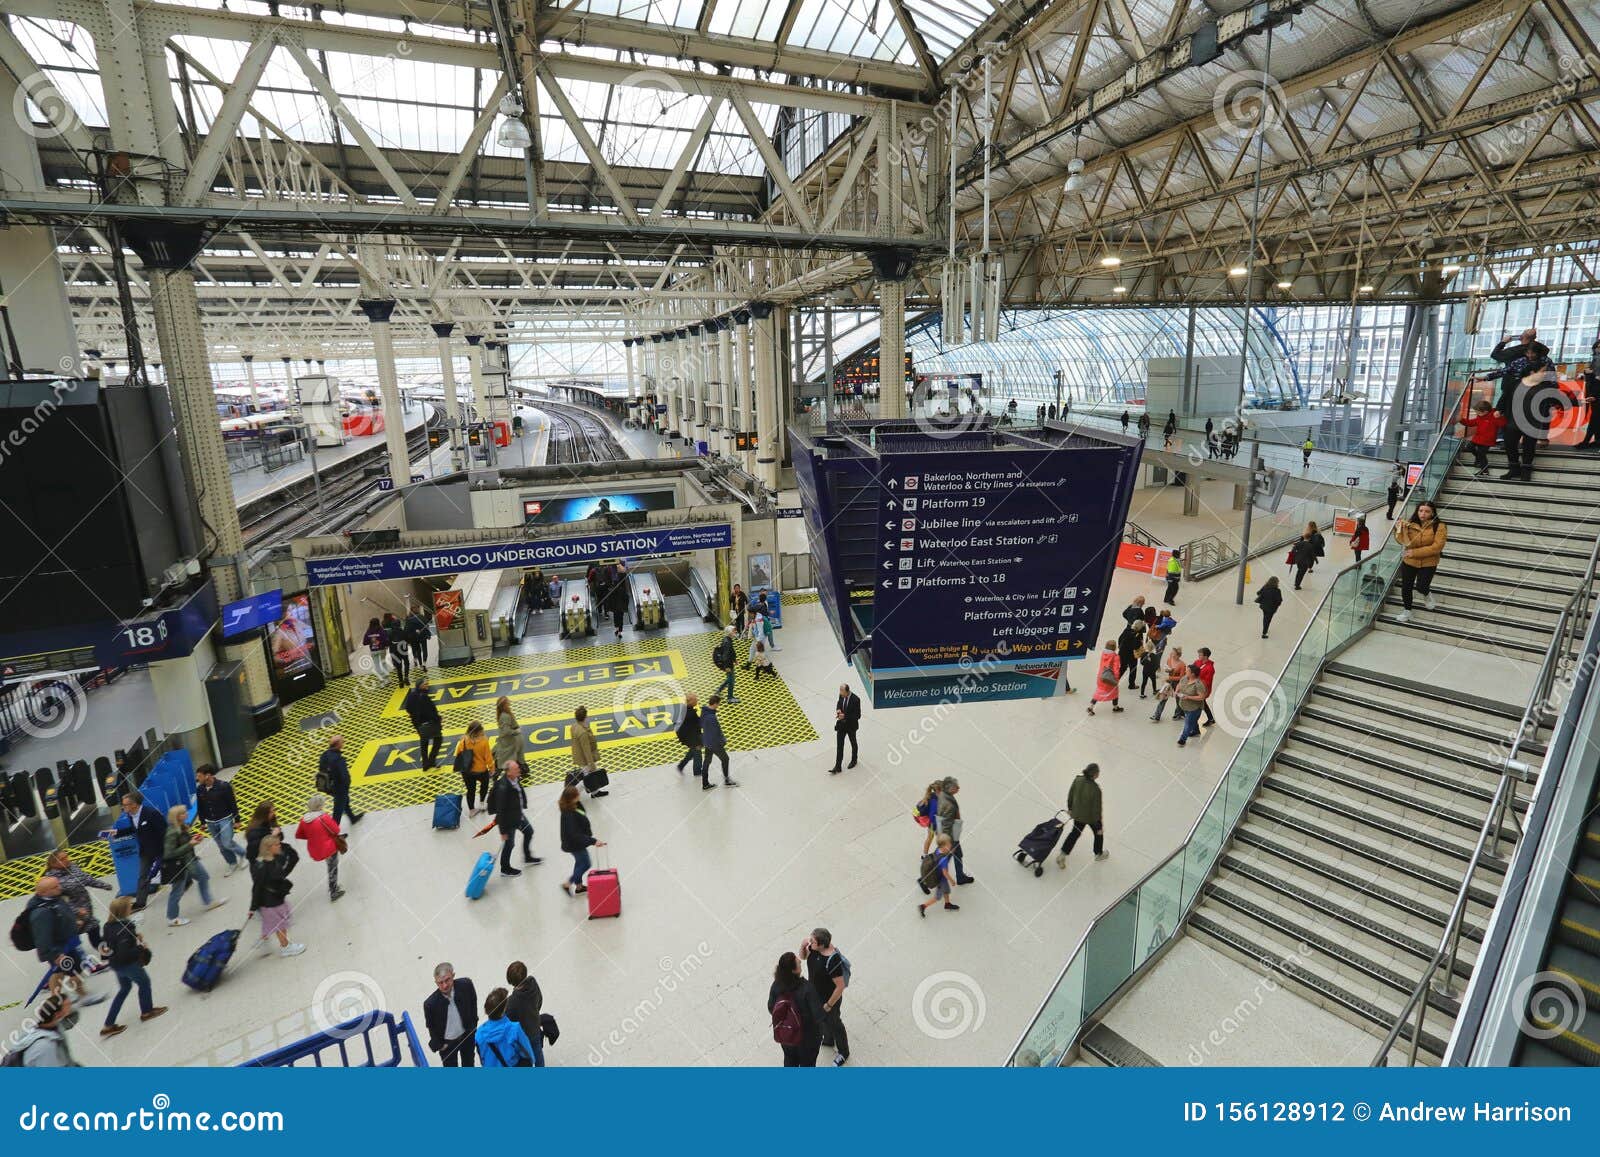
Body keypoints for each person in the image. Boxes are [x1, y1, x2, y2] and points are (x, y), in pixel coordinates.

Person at [26, 878, 103, 1007]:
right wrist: (55, 955)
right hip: (59, 950)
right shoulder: (40, 913)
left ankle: (55, 1000)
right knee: (75, 971)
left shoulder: (53, 898)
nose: (60, 888)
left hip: (66, 943)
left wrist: (75, 921)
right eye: (55, 887)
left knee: (58, 973)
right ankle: (83, 996)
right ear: (44, 892)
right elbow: (42, 938)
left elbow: (62, 913)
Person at [98, 895, 165, 1037]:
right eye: (129, 906)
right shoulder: (126, 926)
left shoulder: (108, 925)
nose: (131, 907)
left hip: (115, 964)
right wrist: (141, 948)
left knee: (124, 989)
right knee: (144, 983)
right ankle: (147, 1012)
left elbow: (107, 946)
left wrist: (134, 938)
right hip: (127, 965)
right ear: (124, 910)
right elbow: (124, 953)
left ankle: (108, 1025)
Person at [162, 804, 225, 927]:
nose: (186, 814)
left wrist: (193, 840)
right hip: (180, 866)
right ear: (177, 816)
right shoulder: (172, 832)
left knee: (203, 877)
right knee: (177, 891)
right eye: (183, 813)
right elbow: (168, 853)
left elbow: (184, 844)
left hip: (190, 861)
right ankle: (172, 918)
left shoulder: (181, 827)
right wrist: (190, 844)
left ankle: (208, 902)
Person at [43, 848, 110, 959]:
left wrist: (103, 885)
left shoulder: (72, 866)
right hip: (71, 915)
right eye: (62, 859)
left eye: (66, 856)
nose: (67, 859)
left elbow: (86, 878)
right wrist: (76, 911)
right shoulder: (52, 880)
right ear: (54, 863)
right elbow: (58, 902)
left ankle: (106, 955)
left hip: (85, 909)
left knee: (94, 929)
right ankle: (70, 962)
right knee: (72, 938)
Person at [799, 928, 850, 1067]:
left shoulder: (832, 960)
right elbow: (803, 957)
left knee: (835, 1024)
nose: (810, 942)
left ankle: (844, 1052)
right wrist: (803, 946)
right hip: (815, 996)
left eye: (813, 941)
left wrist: (828, 1005)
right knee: (821, 1021)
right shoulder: (813, 948)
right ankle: (828, 1039)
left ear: (822, 944)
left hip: (829, 1000)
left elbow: (840, 986)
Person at [248, 833, 304, 957]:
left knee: (270, 922)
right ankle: (286, 947)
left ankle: (263, 941)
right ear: (269, 848)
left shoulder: (273, 859)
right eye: (277, 844)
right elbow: (257, 887)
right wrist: (253, 907)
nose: (280, 846)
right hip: (271, 901)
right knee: (280, 924)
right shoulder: (262, 867)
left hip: (273, 899)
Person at [1394, 500, 1448, 622]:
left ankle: (1427, 594)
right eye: (1420, 510)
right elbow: (1403, 541)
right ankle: (1407, 611)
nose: (1423, 513)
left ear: (1433, 513)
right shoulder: (1410, 524)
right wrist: (1397, 529)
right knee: (1406, 587)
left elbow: (1437, 547)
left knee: (1421, 586)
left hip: (1429, 562)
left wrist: (1415, 552)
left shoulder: (1439, 526)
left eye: (1427, 511)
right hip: (1409, 561)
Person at [768, 951, 825, 1067]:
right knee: (807, 1064)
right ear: (794, 971)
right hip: (807, 1039)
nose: (799, 960)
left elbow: (771, 1008)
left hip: (787, 1036)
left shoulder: (776, 985)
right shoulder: (807, 989)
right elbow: (819, 1016)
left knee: (789, 1060)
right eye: (797, 961)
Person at [117, 789, 166, 912]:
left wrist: (165, 850)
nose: (123, 807)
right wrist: (117, 833)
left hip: (159, 849)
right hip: (145, 851)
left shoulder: (151, 813)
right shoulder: (130, 815)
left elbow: (164, 832)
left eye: (125, 805)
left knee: (170, 868)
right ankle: (140, 902)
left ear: (134, 804)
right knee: (143, 875)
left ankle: (186, 879)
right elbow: (136, 829)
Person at [194, 764, 246, 877]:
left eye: (199, 776)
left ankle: (244, 854)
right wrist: (202, 822)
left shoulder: (224, 786)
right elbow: (200, 806)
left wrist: (237, 820)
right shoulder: (200, 789)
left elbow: (233, 804)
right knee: (221, 846)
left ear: (208, 775)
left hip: (225, 819)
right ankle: (232, 863)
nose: (197, 778)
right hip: (210, 822)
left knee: (227, 842)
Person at [489, 761, 539, 876]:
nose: (519, 770)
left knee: (529, 832)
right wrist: (503, 831)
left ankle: (527, 857)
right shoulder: (503, 787)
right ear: (508, 772)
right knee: (509, 844)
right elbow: (500, 811)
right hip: (508, 820)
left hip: (518, 814)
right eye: (516, 769)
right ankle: (505, 869)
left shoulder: (514, 779)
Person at [423, 963, 478, 1067]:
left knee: (469, 1064)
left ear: (453, 976)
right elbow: (431, 1026)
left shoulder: (466, 985)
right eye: (440, 982)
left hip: (467, 1036)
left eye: (447, 980)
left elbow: (473, 1003)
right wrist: (440, 1045)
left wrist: (473, 1026)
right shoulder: (430, 1004)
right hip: (447, 1045)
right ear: (436, 983)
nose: (444, 985)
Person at [294, 794, 345, 901]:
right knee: (332, 868)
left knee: (330, 867)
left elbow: (299, 834)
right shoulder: (324, 817)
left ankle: (333, 887)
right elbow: (336, 830)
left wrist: (314, 837)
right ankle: (333, 891)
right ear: (319, 806)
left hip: (314, 850)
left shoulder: (304, 819)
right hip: (329, 848)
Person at [6, 992, 80, 1066]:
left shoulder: (51, 1027)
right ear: (57, 1014)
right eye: (68, 1005)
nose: (71, 1007)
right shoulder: (46, 1046)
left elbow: (71, 1019)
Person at [1056, 763, 1107, 865]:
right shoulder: (1096, 790)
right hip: (1090, 818)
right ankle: (1098, 854)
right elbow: (1096, 810)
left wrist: (1070, 808)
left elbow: (1070, 794)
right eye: (1098, 772)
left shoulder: (1078, 780)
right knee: (1098, 834)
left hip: (1077, 815)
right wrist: (1099, 825)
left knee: (1074, 834)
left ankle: (1062, 855)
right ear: (1094, 774)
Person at [558, 785, 603, 898]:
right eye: (576, 794)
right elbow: (574, 835)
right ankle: (567, 884)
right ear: (572, 798)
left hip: (577, 842)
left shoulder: (574, 805)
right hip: (574, 844)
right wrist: (593, 841)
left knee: (579, 863)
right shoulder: (568, 814)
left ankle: (579, 886)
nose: (579, 794)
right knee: (586, 863)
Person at [475, 987, 536, 1068]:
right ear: (503, 1010)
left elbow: (482, 1059)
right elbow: (529, 1055)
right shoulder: (515, 1029)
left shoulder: (478, 1034)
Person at [504, 961, 547, 1067]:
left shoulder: (511, 1002)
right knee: (538, 1053)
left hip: (522, 1036)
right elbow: (540, 1001)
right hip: (535, 1027)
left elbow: (509, 1022)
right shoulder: (533, 982)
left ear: (511, 981)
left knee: (524, 1059)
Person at [936, 776, 975, 885]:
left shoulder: (943, 795)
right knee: (945, 858)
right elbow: (947, 824)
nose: (959, 788)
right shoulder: (949, 805)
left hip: (948, 835)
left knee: (957, 855)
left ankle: (960, 876)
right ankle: (927, 879)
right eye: (955, 787)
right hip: (950, 836)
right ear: (949, 789)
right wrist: (950, 842)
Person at [318, 735, 363, 829]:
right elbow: (344, 776)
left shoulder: (324, 755)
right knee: (338, 810)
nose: (343, 743)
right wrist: (347, 785)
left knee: (345, 802)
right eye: (342, 742)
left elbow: (321, 769)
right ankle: (333, 833)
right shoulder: (338, 759)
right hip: (340, 788)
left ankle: (352, 818)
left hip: (329, 786)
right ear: (338, 744)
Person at [403, 675, 444, 771]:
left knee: (424, 743)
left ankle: (425, 764)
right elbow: (431, 711)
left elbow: (408, 708)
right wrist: (438, 719)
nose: (427, 686)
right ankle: (431, 761)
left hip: (418, 725)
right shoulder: (425, 697)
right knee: (438, 739)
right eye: (425, 684)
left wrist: (415, 718)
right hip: (430, 724)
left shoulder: (411, 696)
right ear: (420, 686)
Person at [455, 720, 494, 817]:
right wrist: (492, 768)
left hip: (467, 771)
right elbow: (488, 757)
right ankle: (482, 804)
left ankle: (471, 810)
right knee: (484, 786)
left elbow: (458, 755)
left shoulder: (463, 741)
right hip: (481, 770)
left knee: (470, 790)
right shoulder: (484, 741)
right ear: (478, 732)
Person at [699, 694, 738, 787]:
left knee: (707, 762)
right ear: (715, 704)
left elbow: (701, 724)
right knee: (725, 759)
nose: (718, 706)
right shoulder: (712, 717)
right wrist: (722, 742)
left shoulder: (704, 711)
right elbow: (716, 733)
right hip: (714, 744)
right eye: (718, 704)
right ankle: (727, 780)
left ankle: (705, 784)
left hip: (707, 741)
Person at [568, 706, 608, 799]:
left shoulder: (574, 726)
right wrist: (591, 763)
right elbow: (586, 750)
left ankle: (595, 792)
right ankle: (571, 796)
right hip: (585, 759)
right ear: (585, 717)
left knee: (590, 776)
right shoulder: (583, 732)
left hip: (578, 756)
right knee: (587, 779)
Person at [916, 833, 960, 917]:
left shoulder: (937, 851)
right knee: (937, 897)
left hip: (941, 878)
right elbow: (945, 873)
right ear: (944, 846)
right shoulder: (944, 859)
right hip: (940, 880)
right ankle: (923, 906)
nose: (950, 845)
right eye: (949, 844)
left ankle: (947, 904)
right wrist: (952, 881)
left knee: (946, 890)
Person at [1460, 400, 1505, 475]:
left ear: (1486, 412)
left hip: (1487, 441)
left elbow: (1503, 424)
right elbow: (1470, 423)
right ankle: (1478, 459)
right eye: (1477, 412)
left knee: (1481, 454)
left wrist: (1499, 417)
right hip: (1477, 438)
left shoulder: (1493, 417)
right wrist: (1461, 420)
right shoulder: (1479, 417)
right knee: (1469, 447)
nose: (1477, 414)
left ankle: (1485, 470)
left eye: (1479, 412)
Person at [828, 683, 861, 774]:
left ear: (847, 691)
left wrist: (845, 716)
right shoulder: (841, 695)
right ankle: (838, 766)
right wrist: (838, 709)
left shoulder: (856, 700)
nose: (840, 693)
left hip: (851, 726)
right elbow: (839, 703)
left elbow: (858, 715)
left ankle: (854, 760)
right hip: (841, 725)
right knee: (839, 746)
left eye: (842, 691)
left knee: (853, 743)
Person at [1175, 664, 1209, 747]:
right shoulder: (1184, 678)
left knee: (1188, 724)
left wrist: (1188, 697)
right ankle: (1196, 731)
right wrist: (1176, 691)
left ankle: (1182, 739)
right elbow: (1179, 684)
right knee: (1192, 721)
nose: (1186, 671)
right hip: (1184, 706)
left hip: (1194, 708)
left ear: (1193, 674)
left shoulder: (1198, 684)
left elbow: (1201, 697)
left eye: (1188, 670)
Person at [674, 692, 705, 782]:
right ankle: (697, 771)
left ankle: (681, 766)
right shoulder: (690, 713)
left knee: (693, 751)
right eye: (696, 699)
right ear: (690, 701)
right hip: (691, 737)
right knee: (698, 753)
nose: (697, 701)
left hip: (688, 735)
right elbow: (699, 724)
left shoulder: (685, 709)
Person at [1150, 645, 1185, 722]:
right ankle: (1157, 715)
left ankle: (1178, 714)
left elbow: (1181, 678)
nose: (1172, 655)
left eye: (1173, 654)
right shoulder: (1169, 660)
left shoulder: (1182, 665)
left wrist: (1170, 678)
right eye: (1171, 653)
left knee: (1178, 699)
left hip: (1177, 683)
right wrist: (1168, 670)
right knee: (1163, 698)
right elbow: (1167, 669)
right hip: (1169, 682)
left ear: (1178, 655)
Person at [1087, 639, 1122, 716]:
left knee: (1099, 692)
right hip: (1110, 677)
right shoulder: (1116, 657)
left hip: (1101, 676)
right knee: (1115, 692)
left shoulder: (1103, 654)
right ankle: (1115, 707)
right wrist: (1116, 679)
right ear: (1115, 647)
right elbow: (1116, 669)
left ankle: (1091, 707)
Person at [244, 799, 282, 863]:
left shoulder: (271, 820)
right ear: (264, 814)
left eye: (274, 810)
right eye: (271, 812)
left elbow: (280, 837)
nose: (274, 813)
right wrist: (273, 835)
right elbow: (255, 849)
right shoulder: (254, 831)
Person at [493, 695, 522, 771]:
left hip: (508, 741)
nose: (509, 704)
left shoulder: (502, 715)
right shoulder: (505, 716)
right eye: (507, 703)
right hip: (509, 742)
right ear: (504, 705)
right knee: (510, 758)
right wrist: (516, 731)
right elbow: (506, 731)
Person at [712, 625, 740, 705]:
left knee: (730, 679)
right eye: (734, 631)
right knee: (731, 681)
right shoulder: (727, 642)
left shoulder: (727, 640)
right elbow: (726, 656)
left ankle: (719, 691)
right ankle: (730, 698)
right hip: (728, 664)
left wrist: (734, 660)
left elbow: (730, 652)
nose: (735, 632)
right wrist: (727, 667)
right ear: (729, 632)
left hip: (729, 663)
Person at [1289, 524, 1321, 591]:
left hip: (1298, 561)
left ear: (1304, 537)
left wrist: (1296, 555)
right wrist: (1316, 560)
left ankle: (1296, 583)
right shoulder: (1310, 545)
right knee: (1301, 573)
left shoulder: (1299, 543)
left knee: (1299, 571)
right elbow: (1312, 555)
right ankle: (1297, 585)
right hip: (1305, 562)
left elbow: (1293, 550)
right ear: (1309, 538)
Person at [383, 612, 410, 687]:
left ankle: (401, 681)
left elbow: (388, 642)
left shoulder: (390, 633)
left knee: (398, 666)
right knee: (406, 663)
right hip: (403, 649)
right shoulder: (403, 631)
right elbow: (408, 640)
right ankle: (406, 677)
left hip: (394, 651)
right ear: (399, 624)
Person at [1117, 618, 1144, 691]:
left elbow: (1120, 638)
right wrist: (1140, 643)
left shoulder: (1127, 630)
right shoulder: (1137, 634)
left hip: (1122, 652)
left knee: (1122, 667)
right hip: (1131, 655)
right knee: (1133, 668)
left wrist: (1120, 646)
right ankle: (1131, 685)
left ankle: (1115, 681)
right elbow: (1135, 646)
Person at [1194, 646, 1217, 728]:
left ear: (1205, 656)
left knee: (1200, 702)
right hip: (1196, 686)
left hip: (1203, 689)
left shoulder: (1210, 668)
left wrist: (1197, 680)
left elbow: (1207, 682)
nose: (1198, 656)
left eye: (1200, 655)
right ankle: (1210, 718)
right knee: (1203, 703)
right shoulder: (1197, 662)